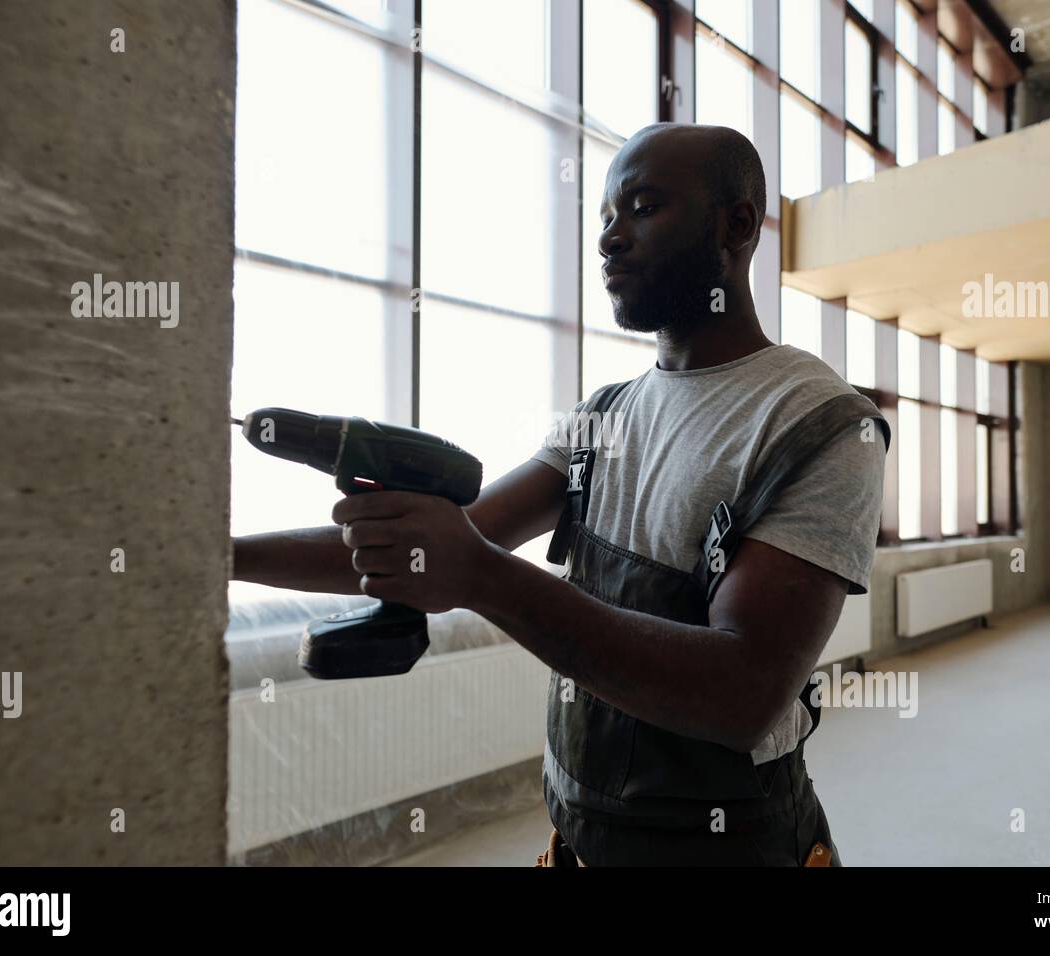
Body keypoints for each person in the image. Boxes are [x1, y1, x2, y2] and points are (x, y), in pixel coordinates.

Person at [233, 123, 889, 866]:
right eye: (605, 217)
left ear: (736, 225)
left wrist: (478, 576)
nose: (610, 239)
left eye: (642, 207)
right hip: (580, 838)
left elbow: (742, 694)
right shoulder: (602, 416)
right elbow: (434, 545)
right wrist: (218, 555)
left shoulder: (821, 422)